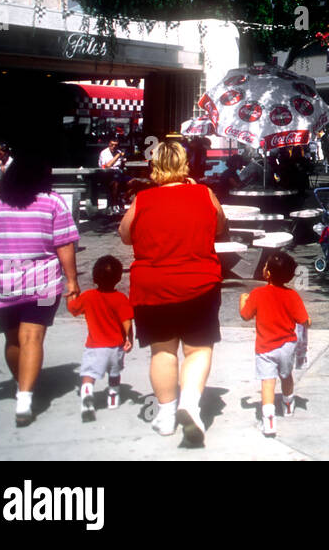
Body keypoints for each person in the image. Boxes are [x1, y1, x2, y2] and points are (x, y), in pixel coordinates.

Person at [118, 140, 228, 445]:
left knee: (163, 352)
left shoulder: (143, 199)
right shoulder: (203, 193)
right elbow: (220, 226)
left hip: (152, 286)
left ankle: (165, 416)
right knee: (198, 349)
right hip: (199, 283)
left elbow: (125, 235)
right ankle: (189, 405)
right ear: (185, 165)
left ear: (154, 167)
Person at [0, 148, 80, 426]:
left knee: (12, 339)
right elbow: (64, 243)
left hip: (0, 284)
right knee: (34, 337)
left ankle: (21, 383)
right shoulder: (53, 202)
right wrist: (72, 280)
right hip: (43, 285)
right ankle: (25, 397)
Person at [239, 250, 309, 437]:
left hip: (265, 348)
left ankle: (269, 421)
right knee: (286, 376)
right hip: (287, 347)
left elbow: (245, 315)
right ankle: (288, 404)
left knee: (267, 383)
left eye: (265, 266)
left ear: (267, 273)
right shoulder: (292, 295)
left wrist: (242, 301)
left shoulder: (257, 293)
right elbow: (304, 320)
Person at [66, 255, 134, 422]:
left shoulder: (88, 296)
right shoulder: (121, 299)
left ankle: (88, 397)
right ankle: (113, 400)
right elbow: (127, 322)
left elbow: (73, 309)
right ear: (118, 278)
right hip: (116, 347)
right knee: (114, 373)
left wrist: (71, 294)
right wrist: (129, 339)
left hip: (95, 346)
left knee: (89, 374)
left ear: (94, 277)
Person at [97, 137, 128, 215]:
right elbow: (107, 166)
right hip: (107, 175)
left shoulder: (119, 152)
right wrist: (117, 156)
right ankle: (114, 204)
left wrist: (124, 161)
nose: (113, 147)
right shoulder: (104, 153)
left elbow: (122, 165)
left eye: (116, 145)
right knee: (115, 182)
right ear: (109, 144)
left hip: (119, 174)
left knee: (135, 181)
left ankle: (123, 199)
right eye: (112, 145)